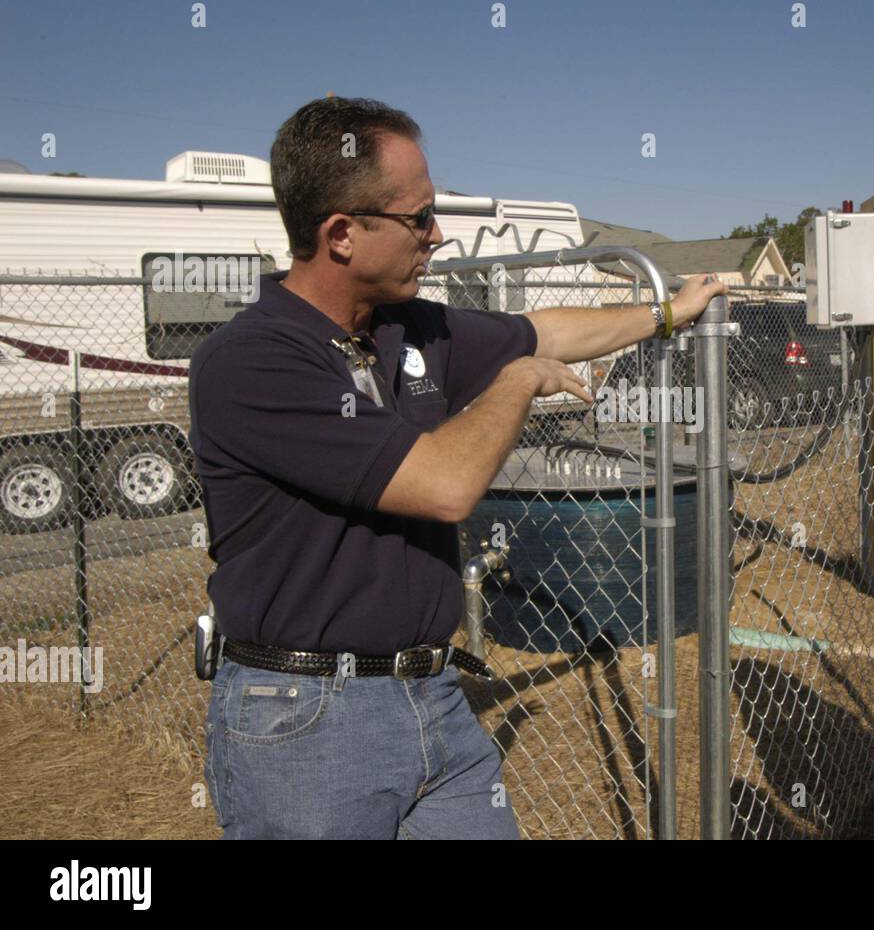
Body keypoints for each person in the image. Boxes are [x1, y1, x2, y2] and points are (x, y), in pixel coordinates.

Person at [189, 97, 725, 839]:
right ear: (342, 234)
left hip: (434, 699)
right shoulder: (253, 361)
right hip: (305, 719)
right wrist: (516, 383)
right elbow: (444, 485)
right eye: (419, 217)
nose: (436, 235)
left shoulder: (411, 326)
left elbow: (545, 330)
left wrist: (667, 313)